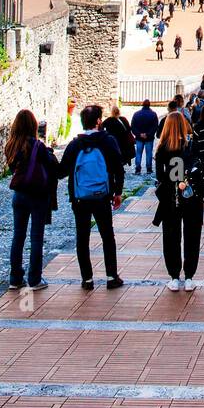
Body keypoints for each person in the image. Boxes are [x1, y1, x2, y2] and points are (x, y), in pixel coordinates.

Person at [58, 104, 125, 289]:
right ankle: (112, 277)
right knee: (107, 236)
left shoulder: (74, 145)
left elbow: (61, 171)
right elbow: (119, 169)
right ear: (98, 121)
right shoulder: (108, 141)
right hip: (102, 196)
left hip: (80, 198)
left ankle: (87, 279)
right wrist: (118, 192)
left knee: (82, 237)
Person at [153, 110, 204, 291]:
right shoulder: (193, 144)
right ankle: (190, 276)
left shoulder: (163, 148)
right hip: (192, 197)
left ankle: (174, 276)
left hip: (171, 197)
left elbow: (160, 176)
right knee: (192, 236)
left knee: (171, 237)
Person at [6, 109, 58, 290]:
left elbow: (13, 170)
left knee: (18, 236)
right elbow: (53, 167)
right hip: (37, 195)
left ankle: (15, 278)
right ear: (33, 125)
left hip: (19, 195)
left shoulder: (11, 145)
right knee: (36, 237)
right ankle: (35, 279)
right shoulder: (37, 145)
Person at [130, 98, 158, 174]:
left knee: (138, 153)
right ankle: (149, 169)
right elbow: (155, 127)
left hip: (139, 137)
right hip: (149, 138)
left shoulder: (136, 114)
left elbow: (133, 126)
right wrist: (148, 134)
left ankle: (137, 169)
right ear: (149, 105)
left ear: (142, 104)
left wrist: (139, 134)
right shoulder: (153, 114)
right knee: (149, 153)